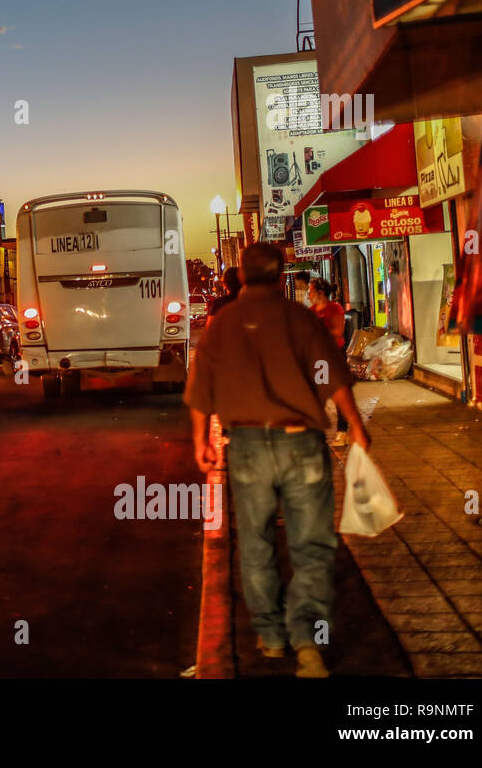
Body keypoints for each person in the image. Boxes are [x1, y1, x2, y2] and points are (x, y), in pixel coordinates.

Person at [185, 242, 370, 679]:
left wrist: (201, 443)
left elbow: (200, 388)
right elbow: (331, 375)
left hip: (247, 445)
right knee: (312, 542)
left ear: (243, 277)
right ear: (282, 273)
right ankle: (305, 639)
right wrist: (355, 425)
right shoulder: (300, 319)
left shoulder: (222, 324)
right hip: (300, 441)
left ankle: (270, 635)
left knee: (256, 541)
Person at [309, 277, 351, 446]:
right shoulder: (312, 310)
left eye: (311, 291)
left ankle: (343, 430)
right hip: (320, 357)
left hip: (334, 354)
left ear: (320, 292)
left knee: (337, 393)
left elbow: (338, 331)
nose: (309, 294)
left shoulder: (334, 308)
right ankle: (319, 431)